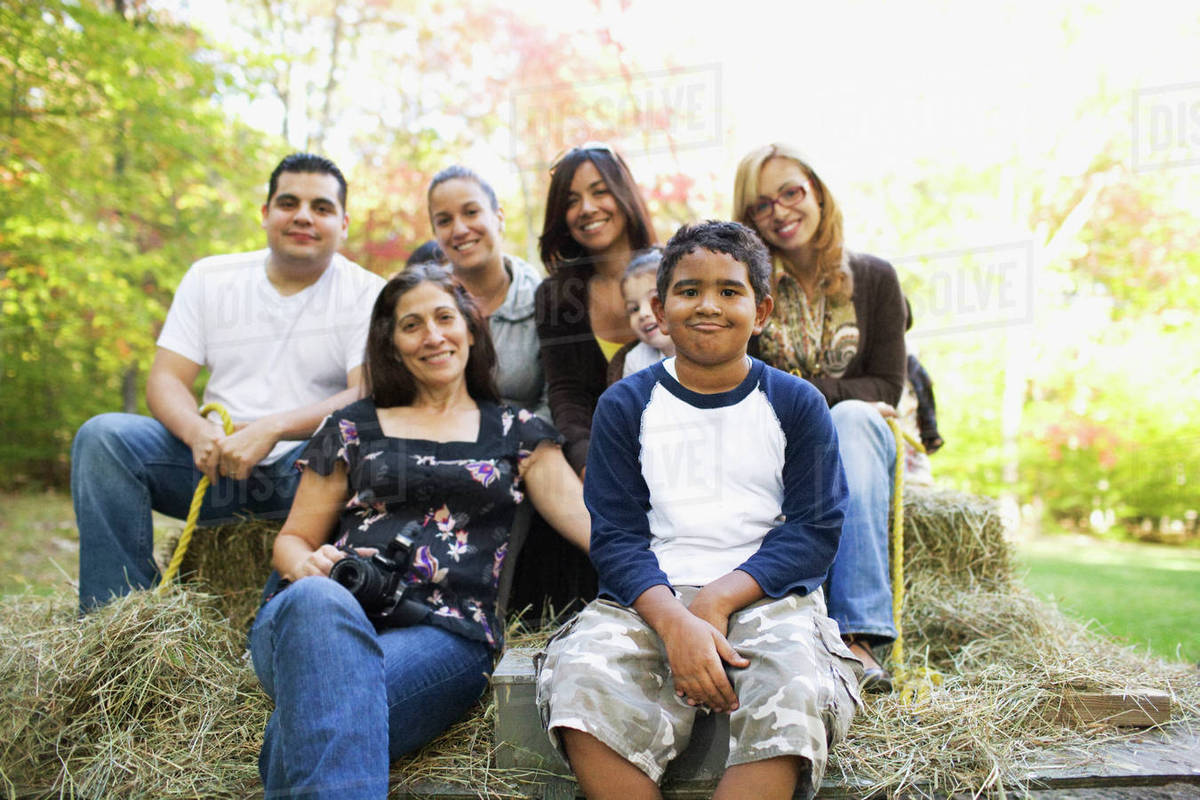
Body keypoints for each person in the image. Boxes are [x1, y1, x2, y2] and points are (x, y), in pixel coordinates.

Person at [536, 222, 862, 800]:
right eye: (689, 291)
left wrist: (716, 599)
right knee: (581, 675)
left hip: (768, 592)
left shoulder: (795, 403)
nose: (708, 305)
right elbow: (615, 537)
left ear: (760, 311)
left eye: (729, 291)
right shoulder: (626, 405)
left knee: (796, 687)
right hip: (650, 594)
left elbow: (814, 532)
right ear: (660, 309)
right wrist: (674, 620)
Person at [250, 263, 590, 797]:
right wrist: (305, 565)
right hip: (324, 614)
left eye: (444, 318)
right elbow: (291, 539)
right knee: (315, 600)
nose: (432, 336)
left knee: (301, 729)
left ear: (472, 329)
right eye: (411, 325)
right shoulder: (351, 425)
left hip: (445, 631)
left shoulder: (519, 434)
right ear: (391, 343)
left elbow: (593, 529)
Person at [71, 153, 385, 613]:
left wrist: (271, 428)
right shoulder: (210, 278)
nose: (303, 216)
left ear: (343, 224)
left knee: (364, 451)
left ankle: (285, 615)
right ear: (265, 214)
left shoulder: (368, 293)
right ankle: (116, 622)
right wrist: (197, 432)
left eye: (321, 207)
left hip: (306, 477)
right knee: (102, 438)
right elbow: (165, 379)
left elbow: (363, 395)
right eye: (288, 202)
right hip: (211, 468)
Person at [733, 142, 908, 691]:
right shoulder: (746, 286)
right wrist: (827, 396)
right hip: (774, 438)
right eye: (762, 205)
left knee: (856, 418)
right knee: (848, 411)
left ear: (818, 193)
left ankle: (858, 638)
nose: (781, 211)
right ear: (748, 218)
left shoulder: (875, 278)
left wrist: (815, 396)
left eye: (792, 193)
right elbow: (743, 381)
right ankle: (793, 632)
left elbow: (887, 385)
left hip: (854, 441)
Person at [535, 143, 657, 475]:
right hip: (602, 458)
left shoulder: (676, 268)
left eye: (599, 192)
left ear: (624, 194)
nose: (586, 208)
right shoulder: (555, 296)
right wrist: (587, 460)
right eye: (571, 201)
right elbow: (566, 392)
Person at [426, 165, 548, 420]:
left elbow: (556, 401)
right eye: (444, 221)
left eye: (471, 212)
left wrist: (534, 444)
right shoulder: (422, 302)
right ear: (435, 233)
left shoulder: (543, 299)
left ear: (499, 217)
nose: (459, 229)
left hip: (528, 446)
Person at [606, 247, 675, 384]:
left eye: (655, 300)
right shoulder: (635, 361)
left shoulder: (706, 347)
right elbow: (632, 404)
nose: (643, 313)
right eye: (634, 308)